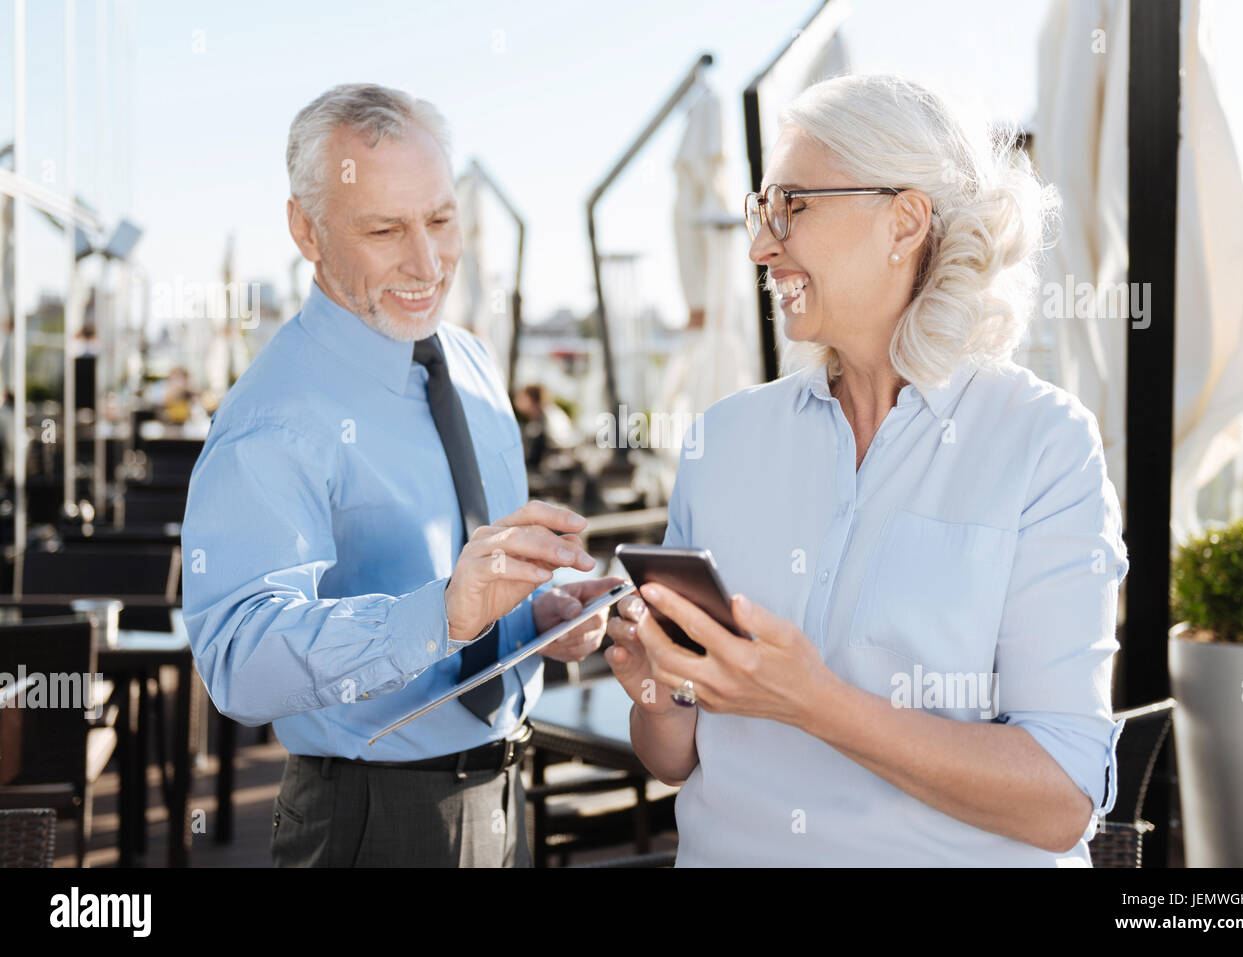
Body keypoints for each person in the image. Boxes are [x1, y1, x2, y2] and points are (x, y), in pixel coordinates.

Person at [605, 73, 1129, 866]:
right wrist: (659, 683)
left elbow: (1061, 799)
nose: (760, 245)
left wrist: (816, 702)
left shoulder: (1043, 445)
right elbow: (672, 756)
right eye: (761, 210)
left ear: (905, 220)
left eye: (794, 206)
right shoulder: (724, 438)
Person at [182, 83, 620, 867]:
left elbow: (474, 599)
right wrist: (444, 615)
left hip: (500, 796)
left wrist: (541, 616)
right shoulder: (273, 414)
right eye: (385, 229)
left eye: (442, 220)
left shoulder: (474, 365)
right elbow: (237, 663)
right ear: (305, 230)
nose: (427, 262)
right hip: (371, 822)